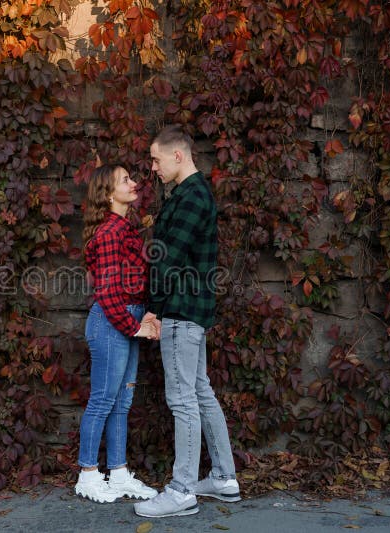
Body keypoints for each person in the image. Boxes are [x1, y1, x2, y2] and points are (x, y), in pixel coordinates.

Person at [134, 125, 241, 518]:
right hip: (190, 309)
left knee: (182, 399)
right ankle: (224, 477)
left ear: (178, 155)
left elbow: (169, 259)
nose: (153, 168)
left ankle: (181, 491)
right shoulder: (190, 194)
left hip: (180, 310)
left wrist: (154, 309)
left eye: (156, 160)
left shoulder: (191, 196)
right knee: (199, 391)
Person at [75, 164, 160, 504]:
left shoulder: (124, 228)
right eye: (126, 180)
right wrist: (135, 327)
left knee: (122, 402)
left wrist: (144, 317)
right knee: (102, 400)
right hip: (112, 323)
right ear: (109, 194)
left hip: (127, 320)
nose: (134, 183)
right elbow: (109, 293)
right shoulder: (110, 232)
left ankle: (119, 472)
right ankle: (87, 475)